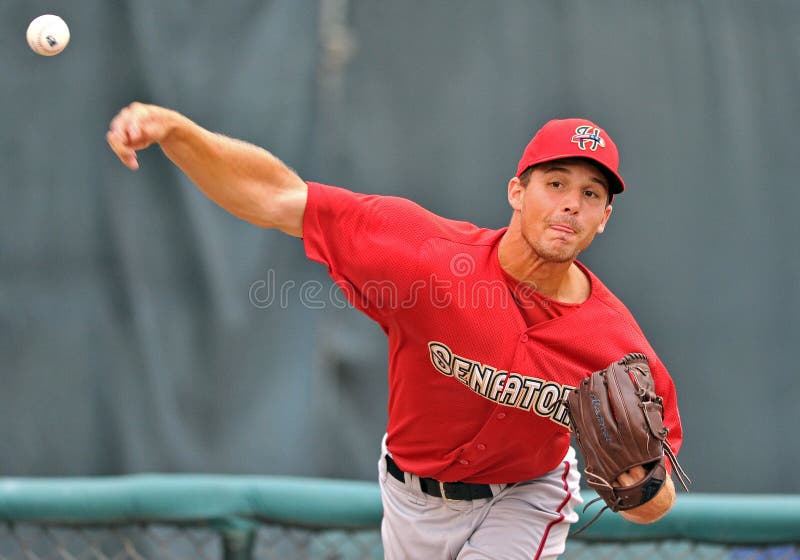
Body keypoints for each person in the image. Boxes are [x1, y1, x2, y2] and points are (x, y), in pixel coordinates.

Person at [107, 104, 684, 559]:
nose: (570, 206)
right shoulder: (426, 260)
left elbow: (655, 506)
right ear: (517, 191)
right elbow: (278, 196)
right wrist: (177, 132)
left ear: (605, 217)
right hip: (410, 496)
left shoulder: (618, 350)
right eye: (555, 183)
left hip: (526, 497)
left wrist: (635, 486)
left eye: (591, 194)